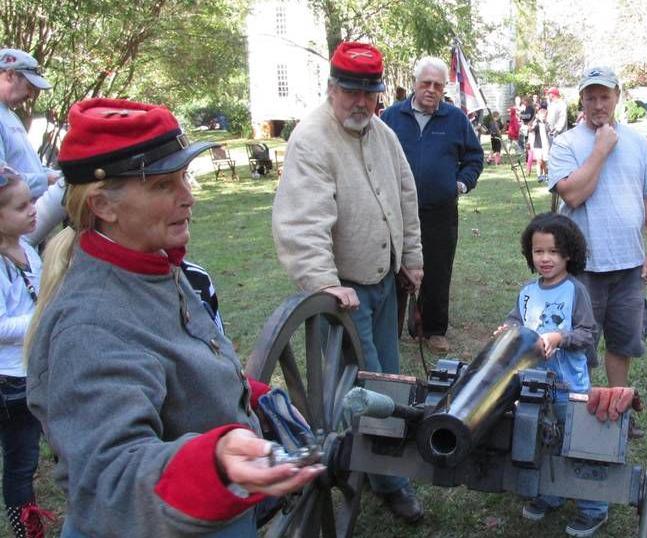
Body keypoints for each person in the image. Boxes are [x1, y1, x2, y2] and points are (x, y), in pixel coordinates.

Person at [24, 97, 324, 537]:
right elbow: (111, 478)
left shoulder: (150, 265)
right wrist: (215, 465)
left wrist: (249, 396)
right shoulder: (89, 325)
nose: (189, 197)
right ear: (104, 206)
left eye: (184, 177)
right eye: (164, 185)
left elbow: (178, 367)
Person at [272, 41, 425, 522]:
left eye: (369, 93)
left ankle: (386, 469)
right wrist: (323, 281)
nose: (361, 102)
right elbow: (303, 222)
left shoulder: (382, 133)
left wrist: (413, 257)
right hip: (345, 291)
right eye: (351, 91)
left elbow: (405, 195)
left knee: (390, 375)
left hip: (383, 281)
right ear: (332, 88)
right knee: (373, 386)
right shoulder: (311, 139)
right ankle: (392, 483)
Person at [547, 66, 647, 419]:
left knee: (623, 342)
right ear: (581, 100)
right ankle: (576, 411)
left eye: (605, 96)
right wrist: (600, 150)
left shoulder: (639, 142)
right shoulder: (566, 143)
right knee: (578, 344)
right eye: (591, 97)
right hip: (584, 267)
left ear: (617, 97)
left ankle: (618, 410)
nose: (598, 105)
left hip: (629, 264)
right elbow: (573, 195)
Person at [497, 213, 607, 537]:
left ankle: (593, 507)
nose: (545, 258)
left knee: (576, 443)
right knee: (540, 439)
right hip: (532, 386)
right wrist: (508, 329)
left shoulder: (576, 292)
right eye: (538, 251)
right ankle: (550, 494)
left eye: (553, 252)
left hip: (567, 386)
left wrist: (560, 338)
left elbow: (587, 333)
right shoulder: (528, 291)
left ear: (568, 254)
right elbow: (515, 320)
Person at [382, 55, 483, 354]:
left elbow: (474, 158)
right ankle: (391, 330)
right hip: (396, 211)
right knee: (394, 268)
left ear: (444, 88)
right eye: (425, 83)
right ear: (414, 84)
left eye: (437, 85)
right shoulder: (391, 117)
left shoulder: (455, 119)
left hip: (440, 211)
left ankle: (433, 329)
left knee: (438, 270)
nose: (431, 89)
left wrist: (462, 183)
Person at [0, 171, 58, 538]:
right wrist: (41, 315)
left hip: (32, 371)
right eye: (21, 207)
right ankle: (26, 530)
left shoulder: (26, 250)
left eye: (32, 201)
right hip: (11, 382)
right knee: (21, 463)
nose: (33, 210)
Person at [0, 49, 60, 199]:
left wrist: (56, 175)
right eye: (29, 87)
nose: (32, 95)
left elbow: (25, 165)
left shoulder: (10, 115)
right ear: (10, 75)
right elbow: (2, 178)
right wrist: (46, 180)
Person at [527, 107, 551, 181]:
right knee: (539, 160)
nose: (543, 117)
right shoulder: (536, 123)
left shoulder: (546, 124)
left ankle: (546, 174)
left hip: (545, 145)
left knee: (544, 161)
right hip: (537, 145)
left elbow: (549, 131)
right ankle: (539, 176)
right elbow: (531, 130)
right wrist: (531, 125)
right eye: (542, 115)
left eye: (544, 116)